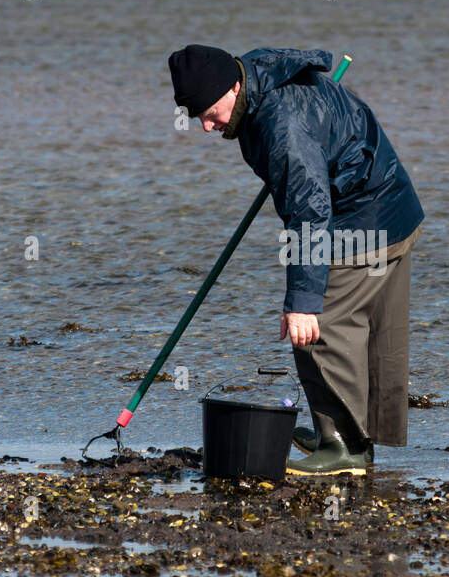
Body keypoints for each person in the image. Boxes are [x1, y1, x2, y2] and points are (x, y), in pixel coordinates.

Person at [167, 44, 424, 476]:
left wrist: (303, 300)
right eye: (198, 118)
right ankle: (359, 434)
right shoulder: (259, 75)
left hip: (362, 219)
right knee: (378, 330)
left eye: (210, 112)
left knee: (319, 331)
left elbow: (308, 210)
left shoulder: (280, 125)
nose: (207, 127)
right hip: (394, 208)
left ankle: (344, 446)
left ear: (234, 86)